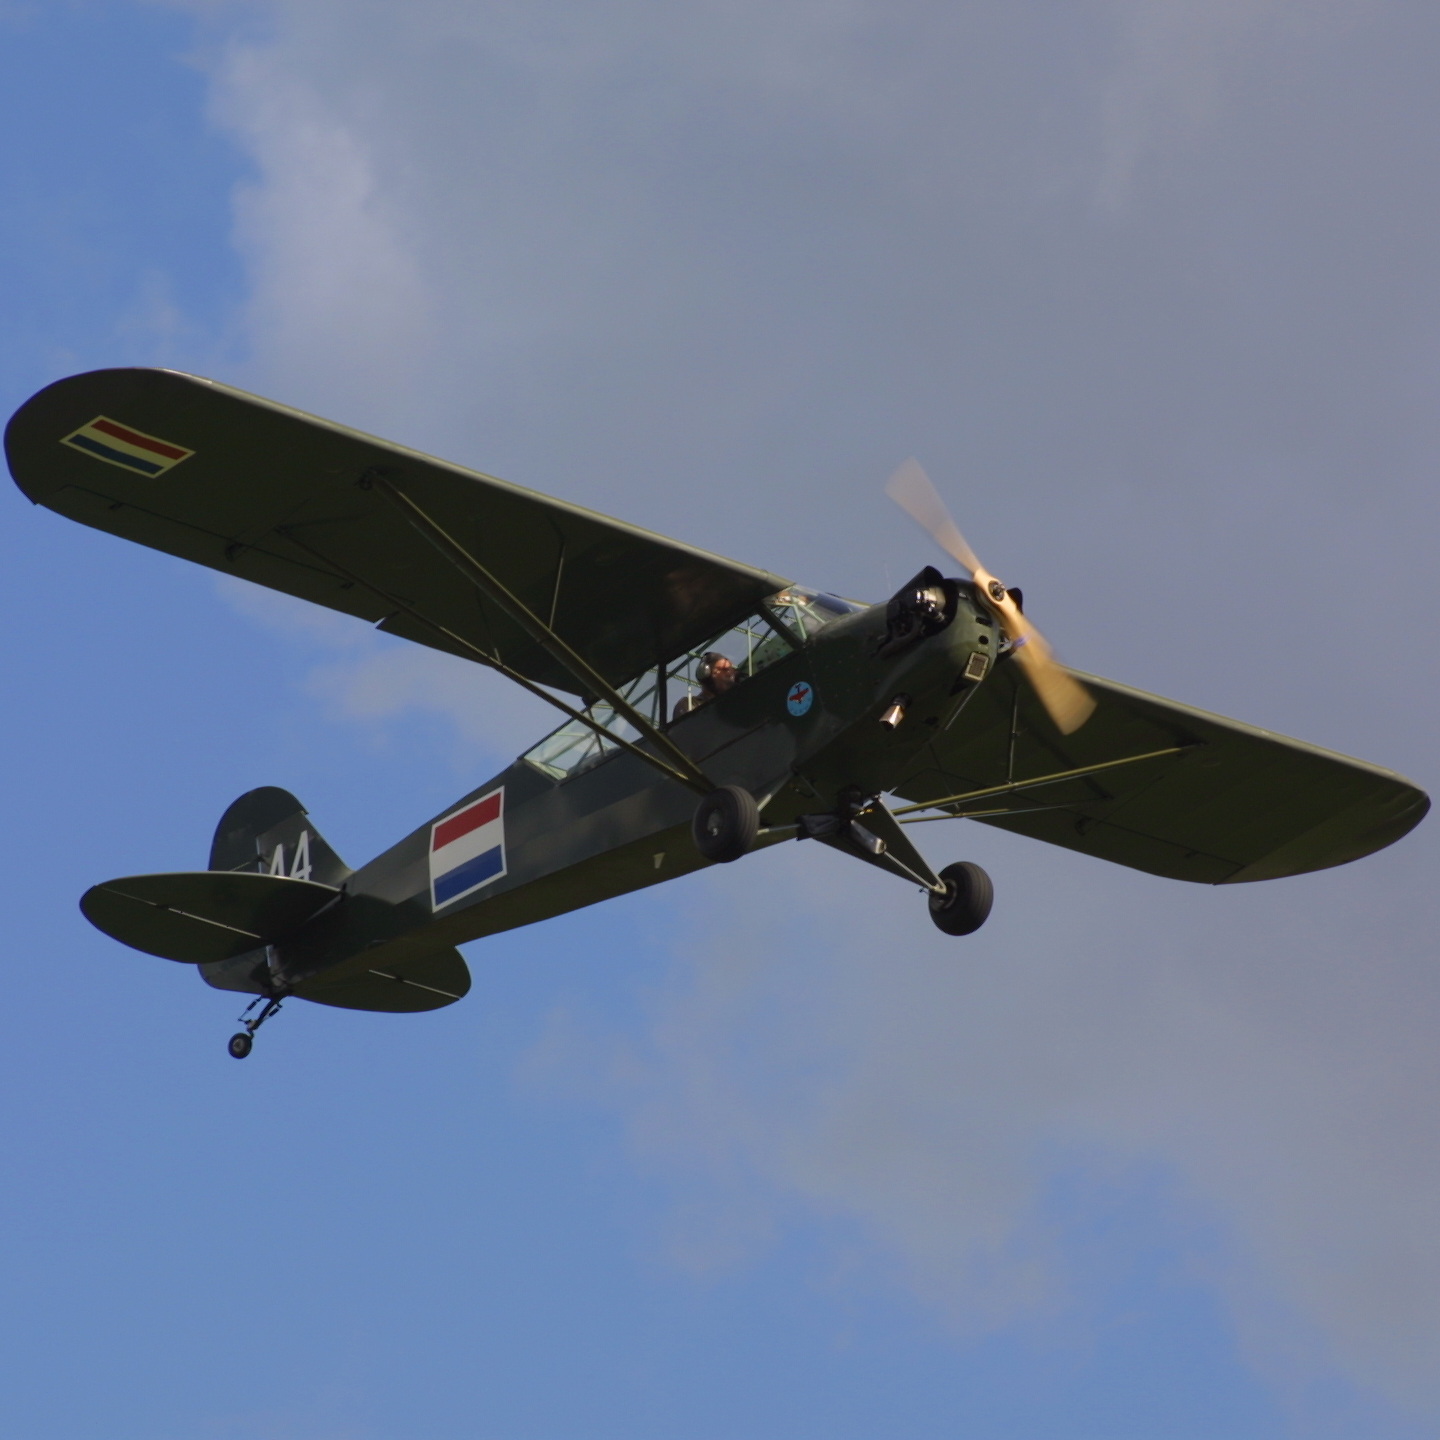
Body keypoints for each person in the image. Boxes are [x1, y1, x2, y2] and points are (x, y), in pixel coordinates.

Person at [672, 651, 737, 720]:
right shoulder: (689, 704)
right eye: (724, 670)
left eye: (731, 670)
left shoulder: (733, 705)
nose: (729, 674)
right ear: (705, 674)